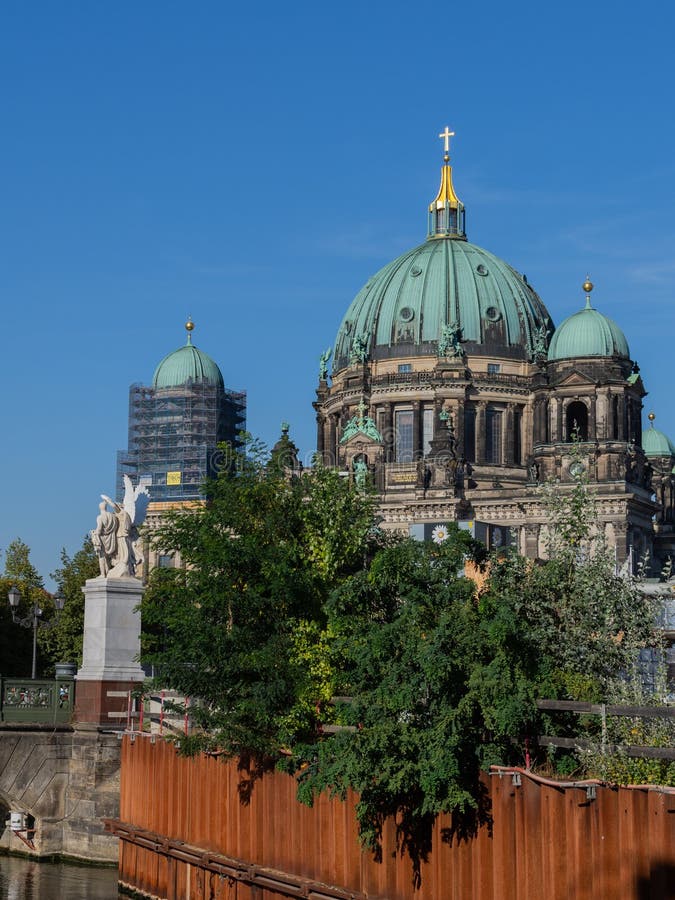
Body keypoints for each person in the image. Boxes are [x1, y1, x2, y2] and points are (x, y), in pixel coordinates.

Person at [92, 500, 118, 577]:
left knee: (102, 557)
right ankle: (108, 572)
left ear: (100, 508)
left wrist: (94, 532)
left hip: (103, 539)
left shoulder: (100, 517)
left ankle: (103, 574)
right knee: (108, 557)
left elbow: (99, 530)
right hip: (112, 539)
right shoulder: (113, 516)